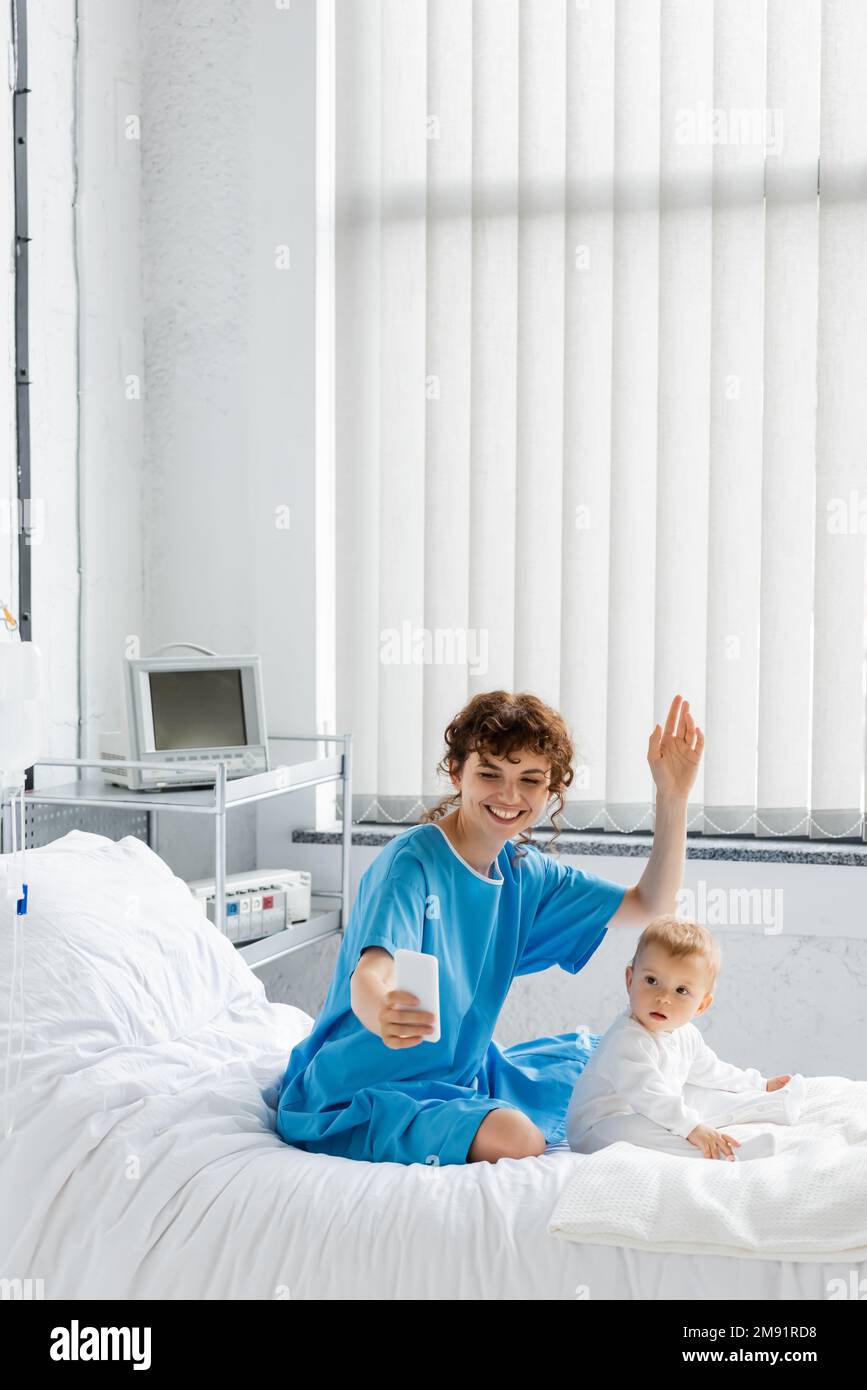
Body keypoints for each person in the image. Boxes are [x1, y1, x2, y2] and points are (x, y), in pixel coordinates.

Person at [275, 689, 704, 1165]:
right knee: (519, 1139)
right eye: (490, 774)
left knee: (602, 1058)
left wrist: (673, 796)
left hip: (460, 1074)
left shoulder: (525, 872)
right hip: (363, 1090)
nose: (509, 795)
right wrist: (382, 1012)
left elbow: (649, 906)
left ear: (550, 790)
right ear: (457, 773)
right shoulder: (411, 864)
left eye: (530, 780)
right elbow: (371, 972)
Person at [565, 914, 806, 1161]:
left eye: (681, 990)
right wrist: (692, 1128)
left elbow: (714, 1072)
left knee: (700, 1094)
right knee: (640, 1129)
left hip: (653, 1107)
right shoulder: (626, 1041)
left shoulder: (686, 1035)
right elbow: (652, 1097)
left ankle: (772, 1104)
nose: (663, 998)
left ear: (701, 1005)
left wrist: (758, 1083)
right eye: (652, 981)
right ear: (630, 980)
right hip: (599, 1128)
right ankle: (726, 1154)